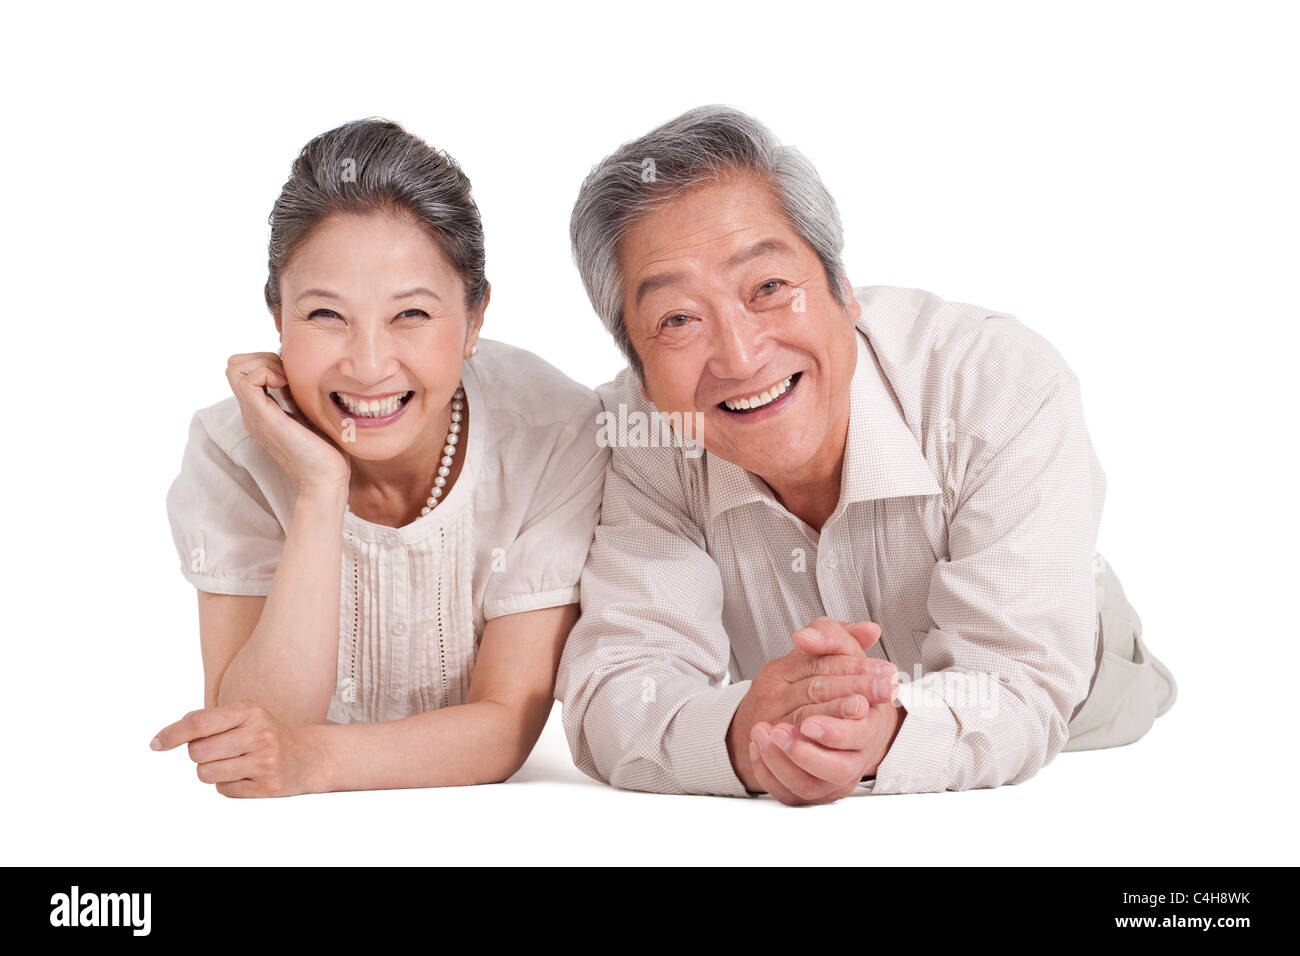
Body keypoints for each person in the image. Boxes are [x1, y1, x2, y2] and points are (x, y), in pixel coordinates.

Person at [557, 105, 1177, 805]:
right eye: (677, 320)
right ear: (638, 369)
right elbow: (617, 680)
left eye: (767, 287)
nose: (739, 355)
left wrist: (888, 735)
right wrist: (743, 737)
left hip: (1073, 688)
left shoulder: (1001, 384)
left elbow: (1020, 681)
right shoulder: (637, 436)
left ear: (843, 290)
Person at [153, 118, 609, 797]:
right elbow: (252, 733)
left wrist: (317, 762)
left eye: (412, 316)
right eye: (325, 316)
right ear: (277, 318)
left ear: (475, 318)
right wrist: (317, 489)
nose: (368, 366)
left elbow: (505, 723)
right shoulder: (233, 451)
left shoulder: (554, 433)